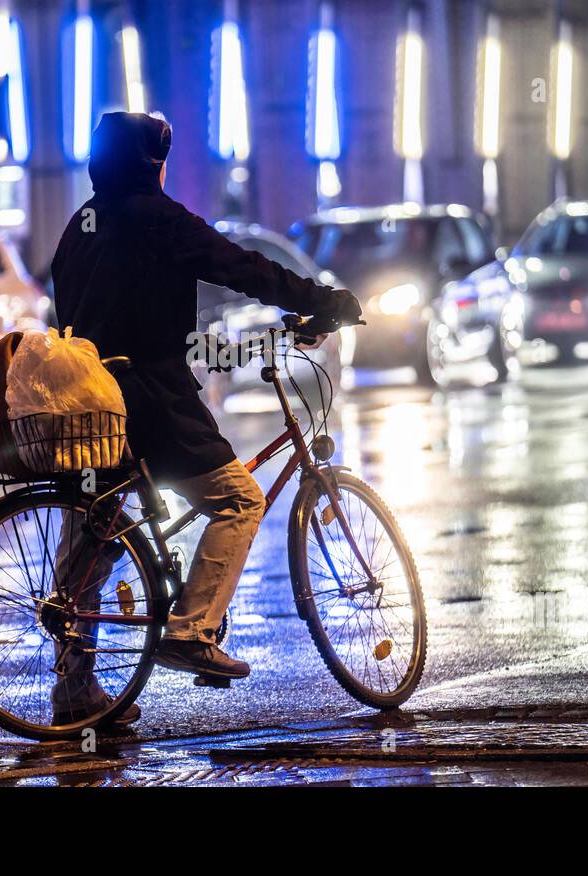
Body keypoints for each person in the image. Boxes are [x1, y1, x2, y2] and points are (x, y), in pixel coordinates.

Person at [49, 111, 360, 725]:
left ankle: (73, 694)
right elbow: (242, 267)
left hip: (87, 398)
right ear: (151, 164)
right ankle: (191, 632)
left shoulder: (80, 225)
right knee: (240, 500)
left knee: (97, 532)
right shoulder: (155, 217)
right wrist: (323, 302)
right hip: (148, 393)